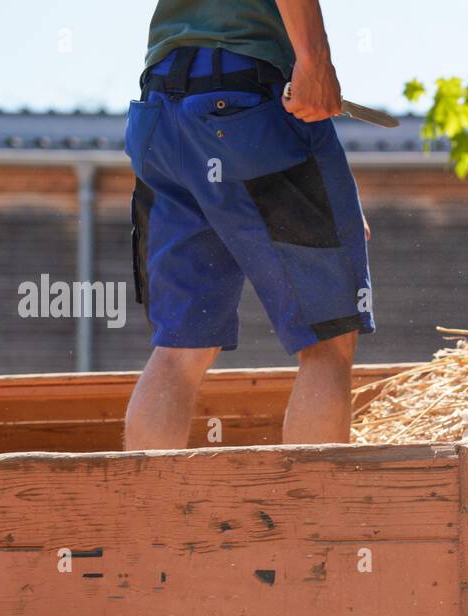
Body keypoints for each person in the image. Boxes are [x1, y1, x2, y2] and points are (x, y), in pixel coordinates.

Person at [122, 0, 372, 449]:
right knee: (329, 340)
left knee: (180, 348)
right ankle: (312, 516)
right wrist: (314, 60)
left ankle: (149, 516)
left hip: (160, 117)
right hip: (243, 103)